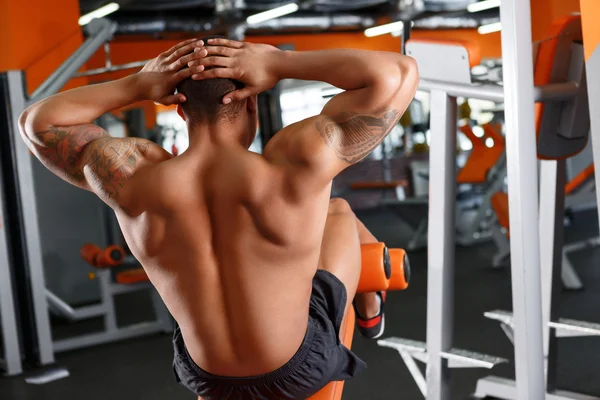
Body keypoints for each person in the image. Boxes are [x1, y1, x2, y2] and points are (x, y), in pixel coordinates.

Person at [19, 36, 419, 399]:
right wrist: (278, 63)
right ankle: (370, 308)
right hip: (298, 367)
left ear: (180, 113)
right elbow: (399, 72)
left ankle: (368, 306)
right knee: (340, 212)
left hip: (204, 376)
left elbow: (36, 123)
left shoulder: (132, 177)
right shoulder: (294, 164)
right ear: (250, 102)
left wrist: (137, 85)